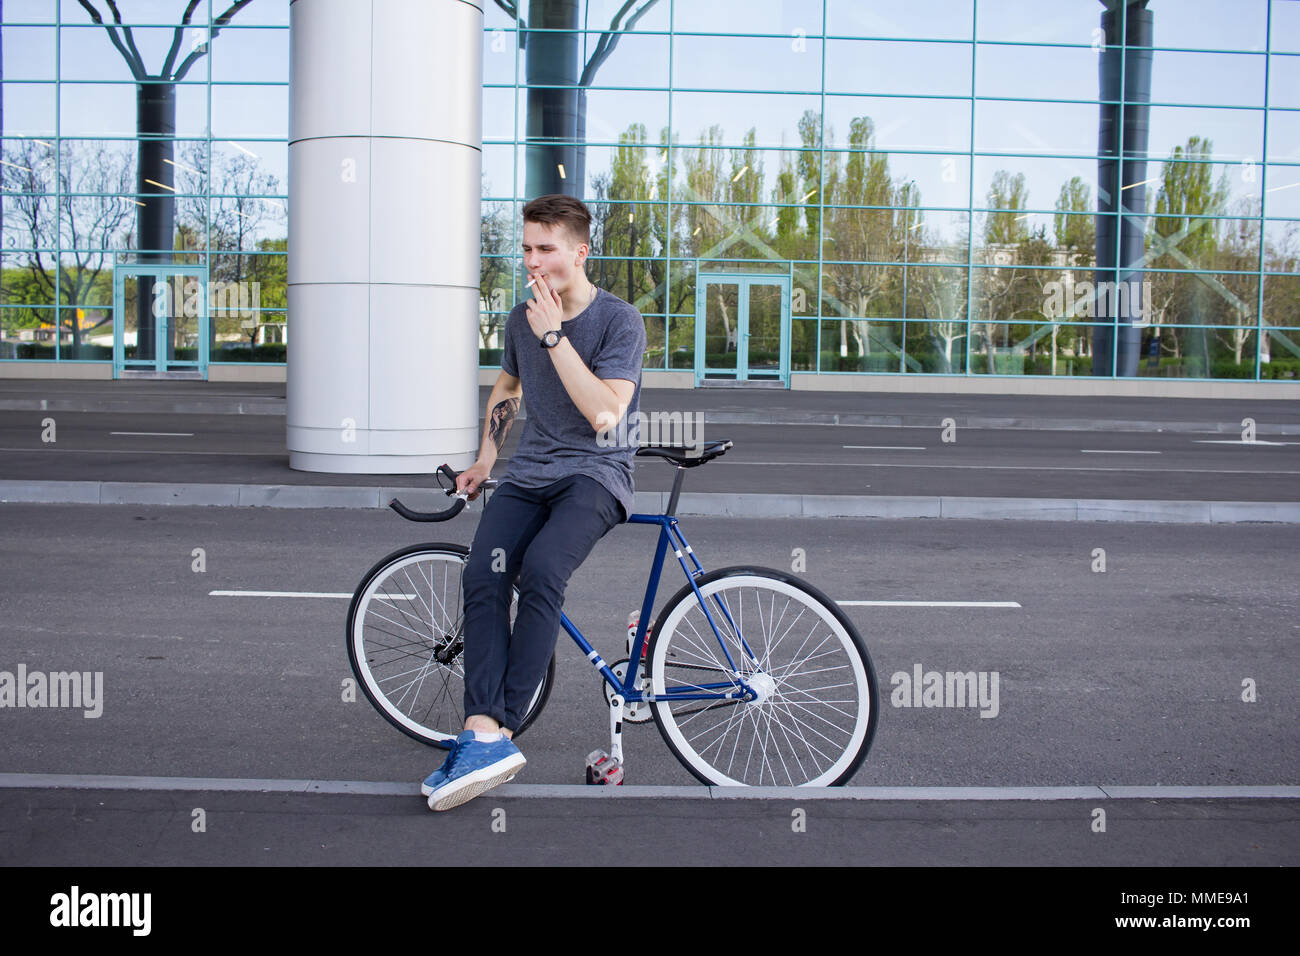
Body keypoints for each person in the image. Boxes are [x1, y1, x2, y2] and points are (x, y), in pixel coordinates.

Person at [424, 194, 647, 811]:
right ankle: (481, 729)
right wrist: (487, 457)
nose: (532, 260)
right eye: (526, 248)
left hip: (597, 474)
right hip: (531, 472)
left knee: (544, 569)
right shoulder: (522, 319)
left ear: (580, 252)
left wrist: (555, 336)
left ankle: (502, 729)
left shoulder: (619, 321)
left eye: (545, 248)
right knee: (484, 573)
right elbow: (508, 383)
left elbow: (605, 414)